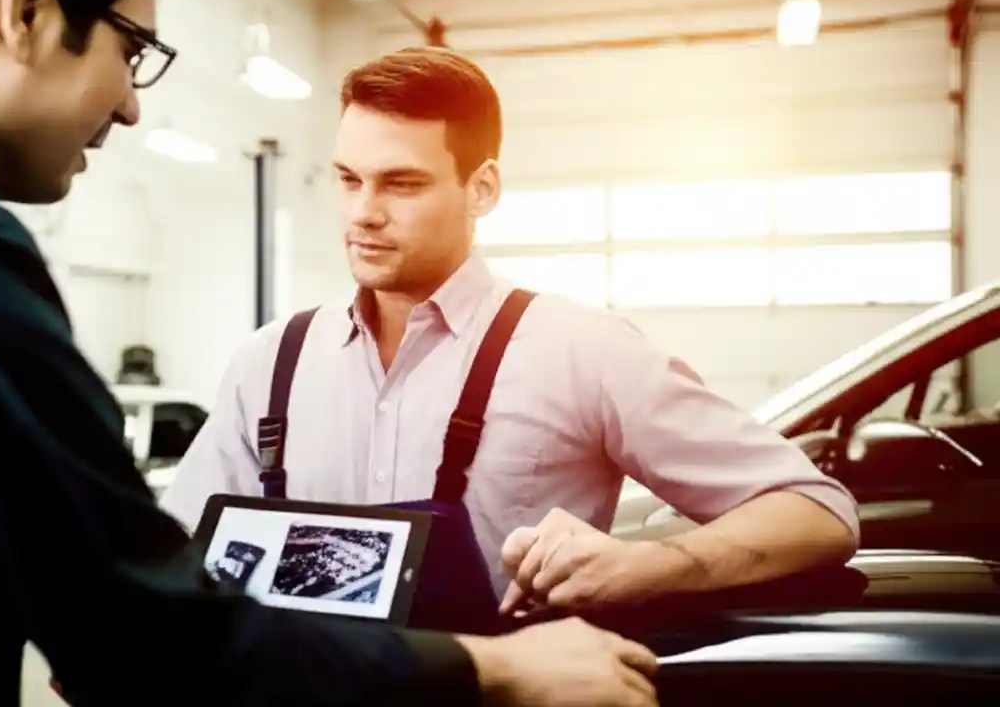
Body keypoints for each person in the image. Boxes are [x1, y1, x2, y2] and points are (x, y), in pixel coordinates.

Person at [0, 0, 662, 705]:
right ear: (27, 12)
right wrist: (495, 670)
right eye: (133, 50)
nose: (130, 107)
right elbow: (137, 638)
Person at [160, 47, 862, 617]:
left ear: (482, 189)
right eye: (349, 179)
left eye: (401, 184)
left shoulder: (583, 352)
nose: (364, 213)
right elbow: (169, 555)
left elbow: (814, 511)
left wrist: (649, 567)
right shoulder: (270, 364)